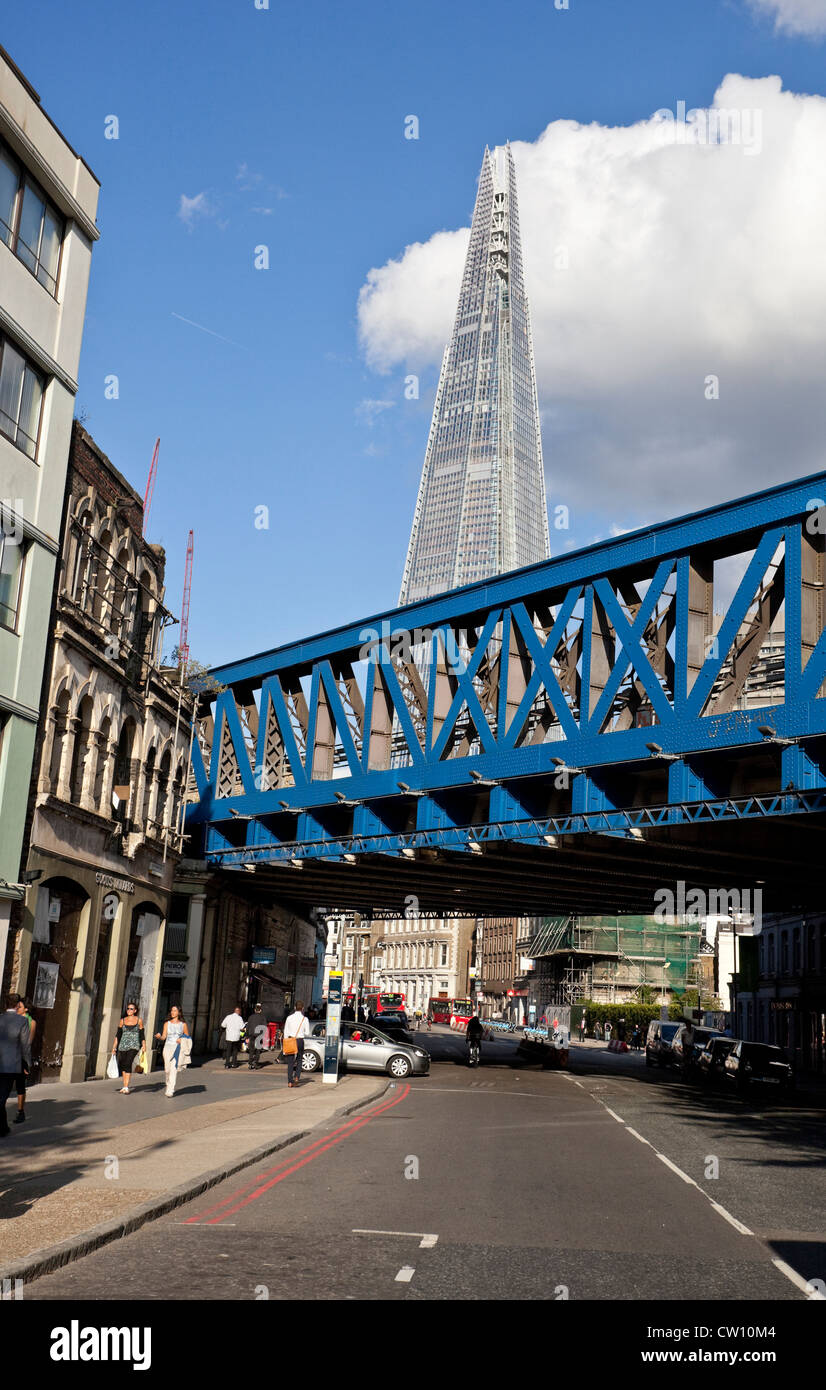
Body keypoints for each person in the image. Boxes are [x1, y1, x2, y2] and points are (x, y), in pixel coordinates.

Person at [0, 995, 32, 1138]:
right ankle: (2, 1127)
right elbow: (25, 1046)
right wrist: (27, 1063)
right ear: (17, 1005)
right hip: (11, 1065)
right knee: (2, 1097)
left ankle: (3, 1127)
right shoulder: (23, 1021)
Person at [111, 1001, 146, 1094]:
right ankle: (124, 1086)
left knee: (128, 1062)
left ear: (135, 1010)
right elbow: (118, 1035)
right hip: (123, 1045)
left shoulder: (139, 1020)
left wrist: (144, 1045)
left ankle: (126, 1087)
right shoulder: (122, 1020)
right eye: (128, 1008)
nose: (129, 1010)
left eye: (131, 1009)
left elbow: (142, 1034)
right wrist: (114, 1048)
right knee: (123, 1064)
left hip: (134, 1045)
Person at [155, 1006, 191, 1097]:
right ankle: (168, 1084)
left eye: (175, 1010)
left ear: (179, 1012)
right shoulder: (167, 1024)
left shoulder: (183, 1024)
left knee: (173, 1069)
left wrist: (181, 1038)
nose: (172, 1012)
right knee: (167, 1070)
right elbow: (164, 1037)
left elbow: (187, 1037)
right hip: (167, 1048)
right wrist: (159, 1037)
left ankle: (170, 1090)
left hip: (177, 1048)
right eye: (171, 1010)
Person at [13, 997, 35, 1122]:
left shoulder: (31, 1022)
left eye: (19, 1007)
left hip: (21, 1057)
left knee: (20, 1085)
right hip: (10, 1056)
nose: (17, 1008)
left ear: (26, 1009)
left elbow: (28, 1043)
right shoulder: (14, 1020)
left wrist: (26, 1063)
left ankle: (20, 1112)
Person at [283, 999, 310, 1088]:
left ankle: (290, 1082)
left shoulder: (289, 1018)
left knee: (290, 1062)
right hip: (299, 1040)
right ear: (302, 1008)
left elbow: (286, 1031)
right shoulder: (305, 1019)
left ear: (294, 1008)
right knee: (299, 1060)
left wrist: (286, 1042)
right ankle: (297, 1077)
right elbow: (307, 1033)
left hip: (291, 1040)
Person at [246, 1003, 268, 1070]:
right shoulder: (263, 1017)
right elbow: (264, 1027)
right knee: (258, 1050)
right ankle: (255, 1063)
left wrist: (247, 1036)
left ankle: (250, 1064)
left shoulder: (251, 1017)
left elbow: (248, 1027)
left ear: (254, 1010)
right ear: (260, 1010)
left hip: (251, 1034)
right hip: (259, 1035)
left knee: (251, 1050)